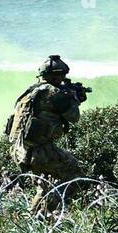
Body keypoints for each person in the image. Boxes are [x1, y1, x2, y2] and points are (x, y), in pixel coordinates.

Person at [6, 54, 88, 214]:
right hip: (40, 151)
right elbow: (74, 117)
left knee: (44, 186)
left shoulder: (30, 92)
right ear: (57, 76)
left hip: (21, 150)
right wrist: (75, 100)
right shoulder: (55, 93)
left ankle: (37, 218)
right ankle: (50, 214)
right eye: (61, 75)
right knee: (74, 175)